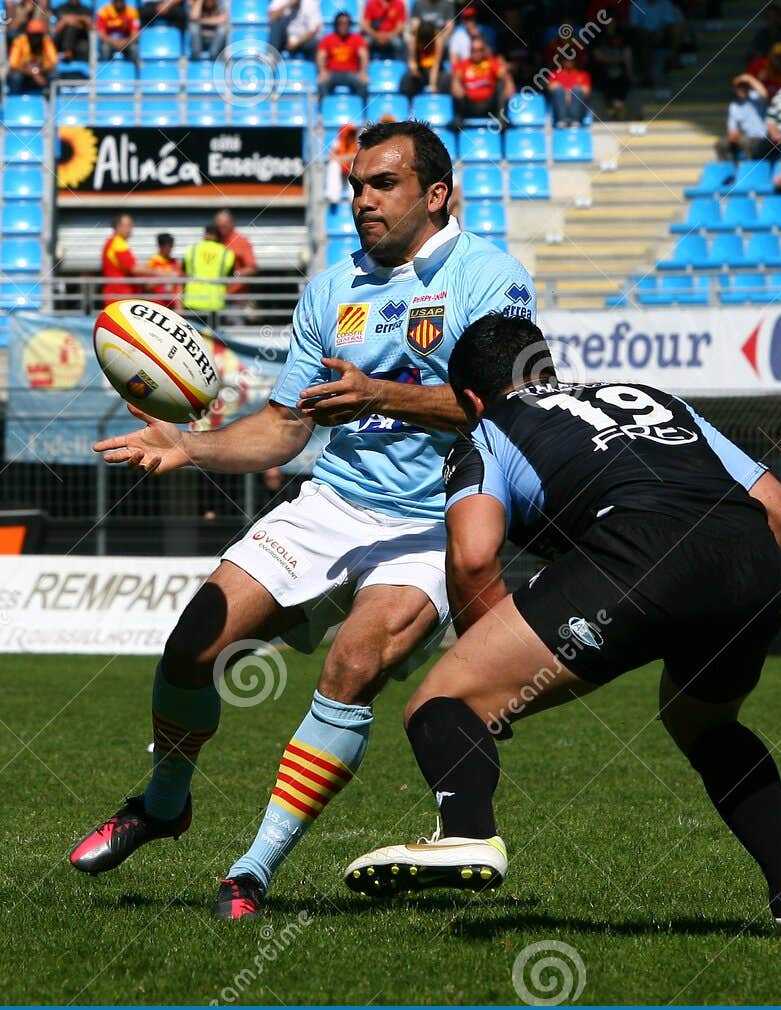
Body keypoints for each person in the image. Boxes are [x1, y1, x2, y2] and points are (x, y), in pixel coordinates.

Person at [66, 120, 536, 922]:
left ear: (435, 193)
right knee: (193, 645)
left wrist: (382, 395)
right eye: (355, 186)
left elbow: (513, 404)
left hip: (434, 519)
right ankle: (165, 801)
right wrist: (193, 444)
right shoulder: (331, 288)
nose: (362, 201)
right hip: (331, 503)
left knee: (352, 666)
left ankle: (251, 872)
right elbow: (288, 425)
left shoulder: (490, 278)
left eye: (382, 184)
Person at [340, 315, 781, 940]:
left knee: (442, 701)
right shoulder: (656, 399)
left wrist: (495, 688)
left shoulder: (486, 433)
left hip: (637, 555)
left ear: (467, 399)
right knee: (704, 722)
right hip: (751, 559)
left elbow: (471, 557)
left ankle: (466, 833)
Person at [451, 35, 514, 128]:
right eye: (473, 50)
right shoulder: (463, 64)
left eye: (479, 50)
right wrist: (455, 83)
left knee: (502, 84)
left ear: (484, 50)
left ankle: (502, 119)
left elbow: (504, 74)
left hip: (489, 105)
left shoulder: (491, 63)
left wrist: (509, 83)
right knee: (455, 84)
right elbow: (456, 77)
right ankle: (458, 119)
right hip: (469, 105)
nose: (476, 53)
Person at [180, 223, 236, 327]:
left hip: (192, 301)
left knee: (193, 337)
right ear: (218, 236)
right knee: (213, 340)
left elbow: (183, 272)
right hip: (214, 303)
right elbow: (230, 277)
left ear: (205, 234)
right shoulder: (226, 253)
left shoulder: (192, 250)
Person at [215, 208, 258, 312]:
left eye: (224, 226)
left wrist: (234, 274)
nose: (221, 229)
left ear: (232, 223)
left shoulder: (241, 242)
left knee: (234, 327)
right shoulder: (214, 241)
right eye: (218, 227)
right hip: (214, 298)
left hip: (235, 299)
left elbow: (252, 268)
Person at [716, 73, 768, 161]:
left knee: (746, 143)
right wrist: (733, 135)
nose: (742, 89)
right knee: (720, 144)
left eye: (744, 86)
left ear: (749, 87)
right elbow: (732, 128)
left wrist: (749, 78)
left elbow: (764, 94)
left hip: (760, 138)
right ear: (735, 89)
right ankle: (727, 169)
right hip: (744, 137)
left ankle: (749, 169)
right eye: (739, 87)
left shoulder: (756, 98)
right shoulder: (734, 105)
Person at [587, 22, 633, 120]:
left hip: (619, 71)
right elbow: (597, 55)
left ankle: (617, 105)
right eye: (609, 22)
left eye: (613, 22)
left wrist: (629, 72)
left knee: (622, 79)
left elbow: (627, 55)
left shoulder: (622, 37)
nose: (611, 25)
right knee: (605, 78)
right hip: (602, 71)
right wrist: (614, 59)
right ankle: (616, 105)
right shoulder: (598, 37)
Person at [317, 11, 368, 96]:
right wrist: (322, 71)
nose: (343, 26)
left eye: (346, 23)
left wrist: (363, 72)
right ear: (336, 24)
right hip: (332, 73)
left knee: (362, 83)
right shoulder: (327, 39)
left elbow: (364, 55)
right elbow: (321, 56)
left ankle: (362, 108)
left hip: (352, 73)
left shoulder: (357, 39)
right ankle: (324, 107)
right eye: (340, 23)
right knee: (322, 83)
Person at [8, 18, 59, 93]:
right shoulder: (19, 41)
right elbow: (13, 65)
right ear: (28, 34)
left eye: (38, 35)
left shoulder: (46, 41)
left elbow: (53, 63)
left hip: (42, 74)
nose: (36, 38)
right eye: (33, 35)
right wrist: (34, 75)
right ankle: (16, 100)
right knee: (16, 77)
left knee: (54, 75)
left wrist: (38, 73)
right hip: (24, 75)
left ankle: (53, 99)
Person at [547, 53, 593, 130]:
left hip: (577, 105)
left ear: (575, 62)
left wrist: (570, 94)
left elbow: (586, 91)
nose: (569, 62)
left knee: (577, 90)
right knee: (558, 91)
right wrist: (566, 94)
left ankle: (574, 120)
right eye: (566, 60)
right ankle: (562, 120)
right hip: (560, 103)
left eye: (571, 60)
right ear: (562, 61)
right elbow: (551, 88)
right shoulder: (556, 73)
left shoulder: (583, 74)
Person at [139, 231, 182, 312]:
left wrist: (179, 306)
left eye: (171, 246)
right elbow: (147, 287)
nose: (169, 249)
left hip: (171, 306)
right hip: (156, 305)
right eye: (167, 246)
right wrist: (163, 278)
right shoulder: (152, 262)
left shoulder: (175, 263)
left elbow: (178, 286)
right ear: (160, 246)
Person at [100, 212, 137, 304]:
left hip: (116, 294)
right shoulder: (117, 243)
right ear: (118, 227)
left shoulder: (113, 242)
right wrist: (160, 272)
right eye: (128, 225)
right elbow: (132, 267)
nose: (131, 229)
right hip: (119, 294)